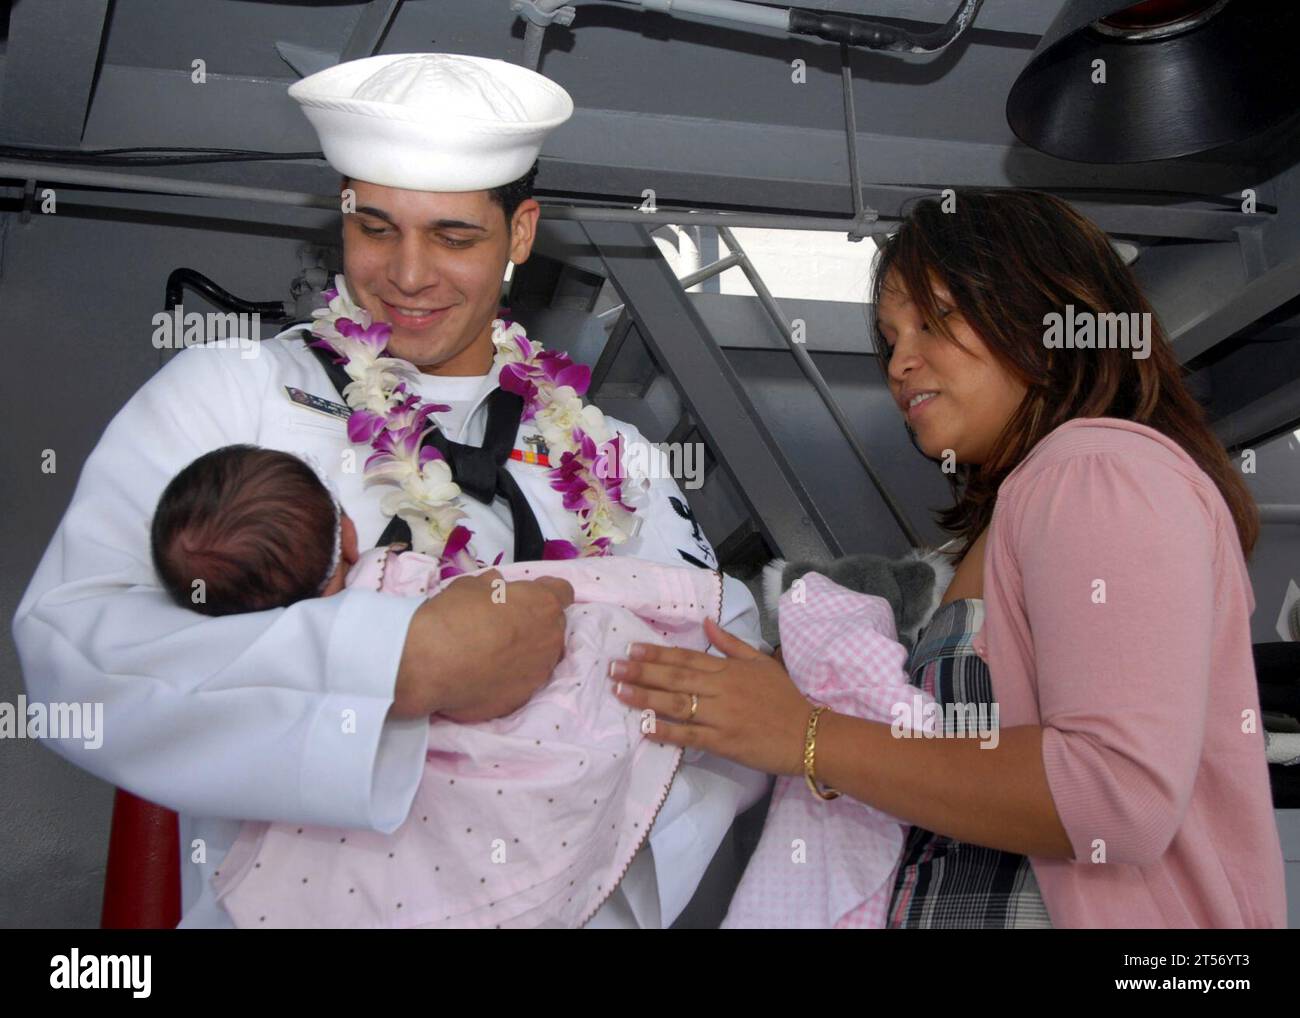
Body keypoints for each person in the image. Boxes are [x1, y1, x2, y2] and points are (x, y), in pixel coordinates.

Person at [12, 52, 767, 929]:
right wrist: (396, 667)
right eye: (376, 229)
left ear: (520, 235)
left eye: (454, 237)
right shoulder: (229, 392)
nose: (408, 276)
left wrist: (579, 878)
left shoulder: (615, 456)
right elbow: (78, 651)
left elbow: (728, 696)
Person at [607, 189, 1288, 928]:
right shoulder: (1018, 513)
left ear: (1050, 316)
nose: (901, 361)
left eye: (936, 319)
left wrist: (806, 735)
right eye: (890, 336)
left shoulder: (1096, 468)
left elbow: (1114, 797)